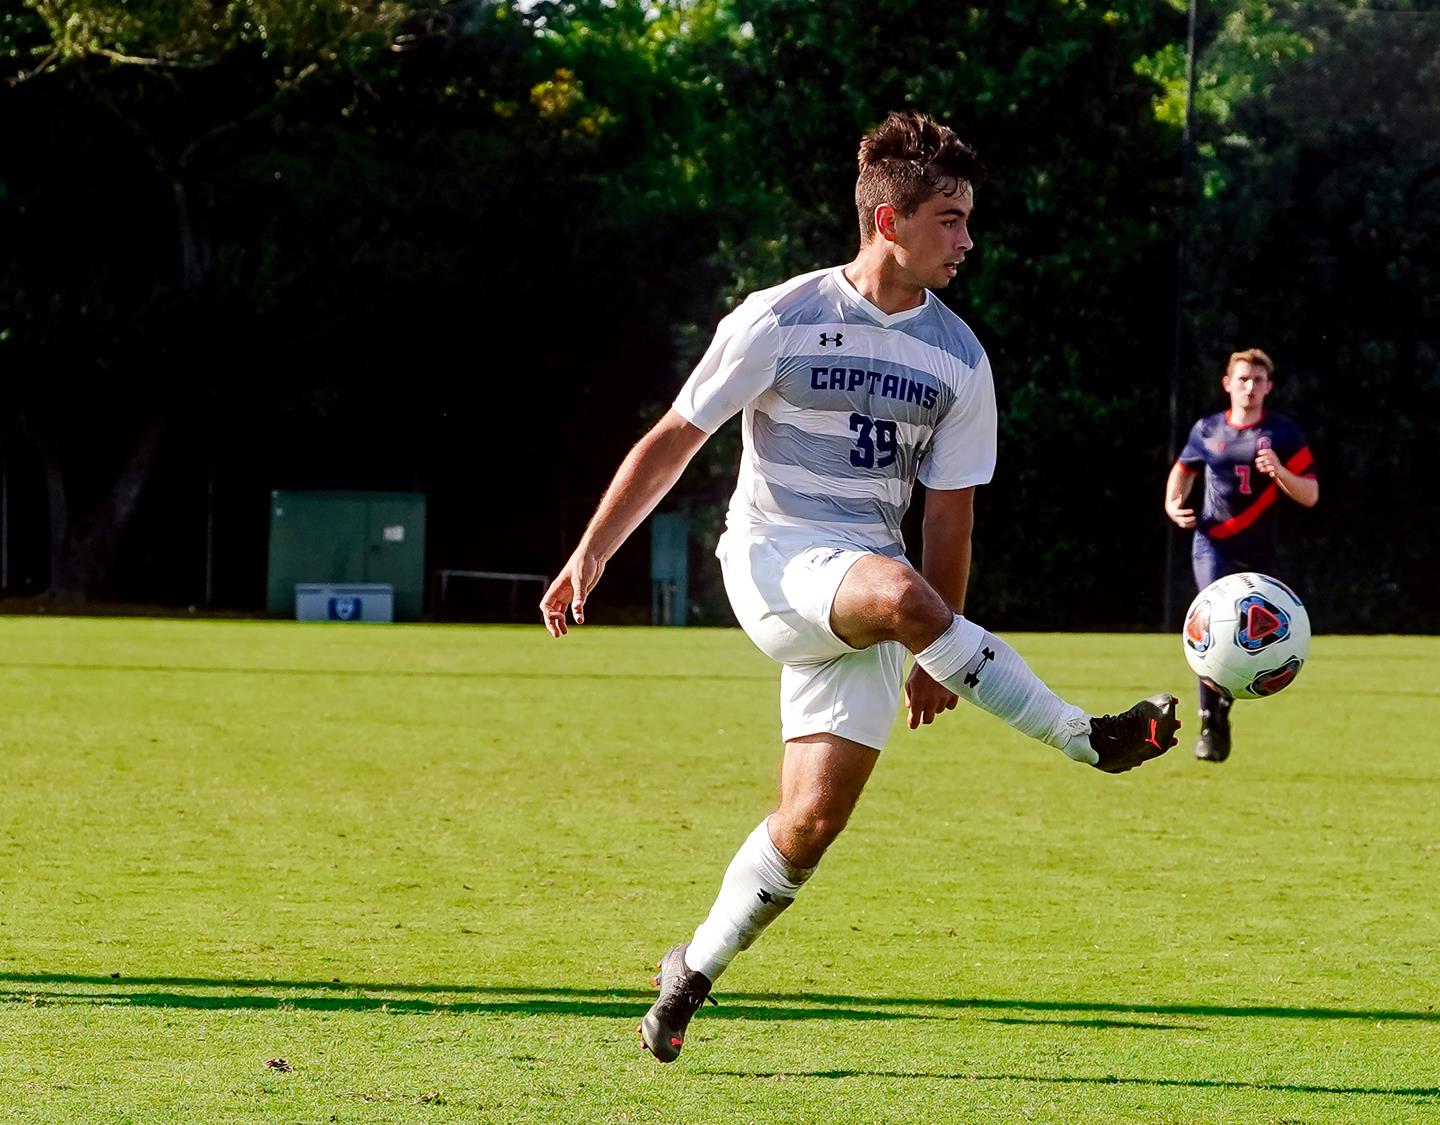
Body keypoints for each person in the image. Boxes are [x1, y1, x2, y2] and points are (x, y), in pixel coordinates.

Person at [537, 111, 1180, 1064]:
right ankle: (1089, 739)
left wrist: (937, 650)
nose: (968, 239)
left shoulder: (960, 356)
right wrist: (592, 551)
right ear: (889, 222)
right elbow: (676, 437)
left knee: (808, 824)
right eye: (951, 219)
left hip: (876, 595)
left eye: (968, 218)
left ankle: (690, 972)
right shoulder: (780, 316)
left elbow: (950, 519)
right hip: (775, 557)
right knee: (895, 587)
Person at [1163, 348, 1318, 763]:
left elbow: (1310, 494)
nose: (1250, 387)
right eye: (1243, 379)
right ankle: (1209, 724)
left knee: (1249, 636)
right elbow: (1184, 469)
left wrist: (1280, 471)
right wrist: (1172, 503)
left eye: (1258, 380)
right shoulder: (1208, 428)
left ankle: (1224, 707)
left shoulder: (1282, 433)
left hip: (1258, 552)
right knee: (1213, 626)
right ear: (1227, 384)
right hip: (1211, 544)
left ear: (1269, 387)